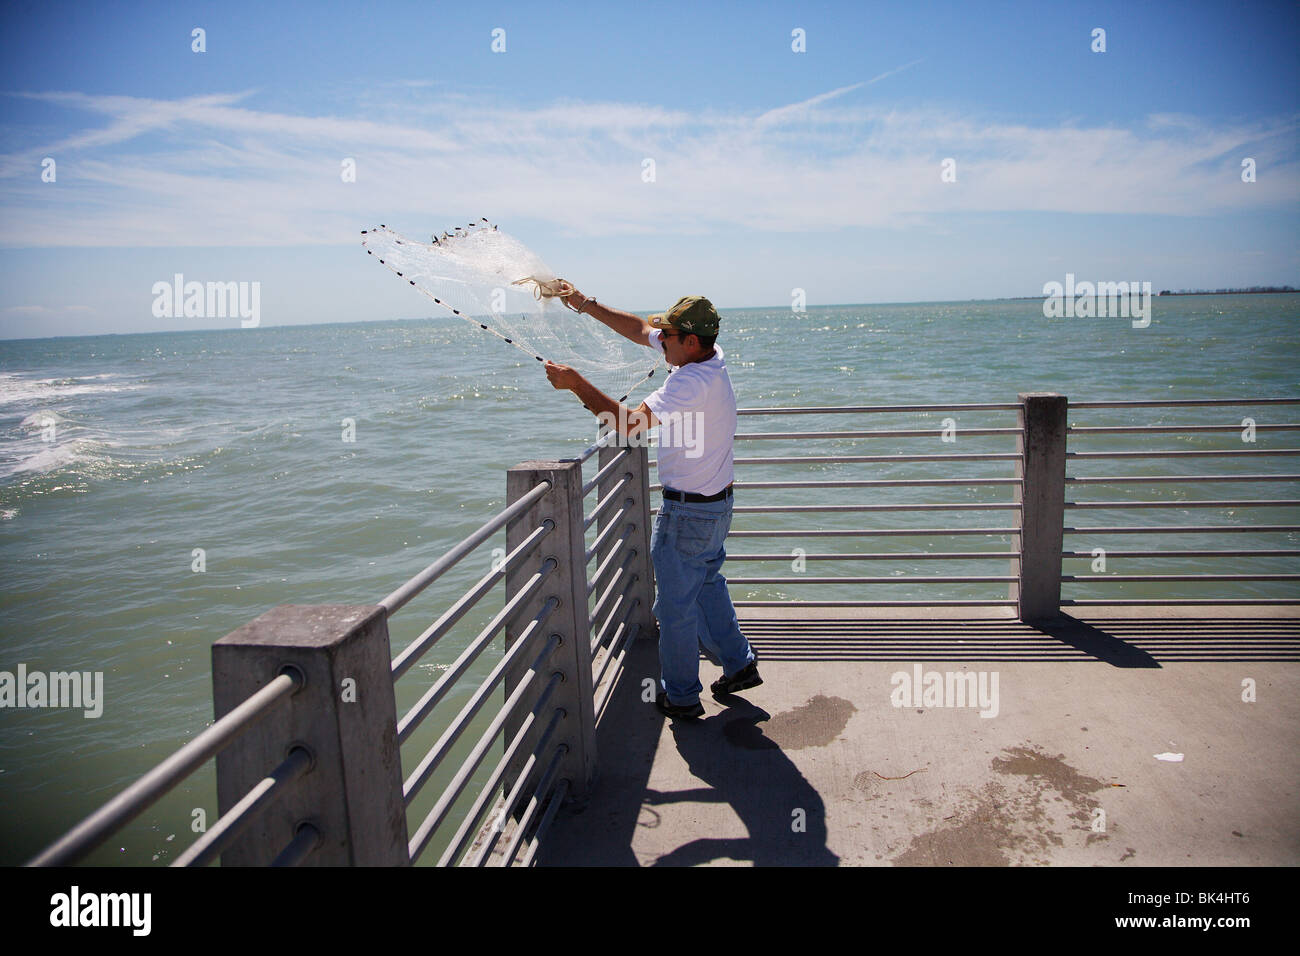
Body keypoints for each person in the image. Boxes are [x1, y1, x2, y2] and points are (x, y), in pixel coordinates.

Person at [543, 288, 761, 720]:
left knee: (674, 610)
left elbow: (627, 425)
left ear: (690, 342)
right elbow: (640, 329)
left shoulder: (690, 382)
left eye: (669, 335)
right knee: (707, 585)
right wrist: (585, 303)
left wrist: (575, 384)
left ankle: (680, 696)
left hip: (688, 513)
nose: (660, 338)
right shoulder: (710, 356)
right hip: (717, 507)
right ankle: (739, 664)